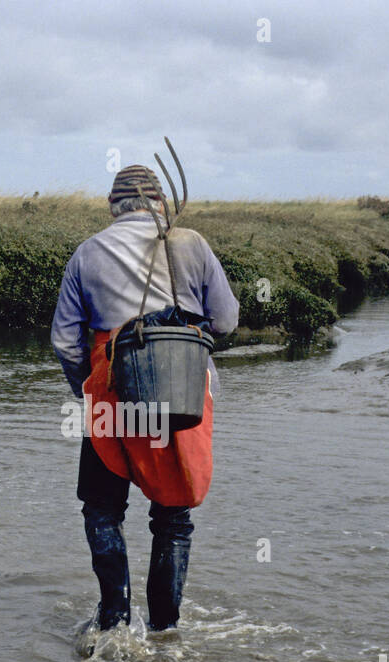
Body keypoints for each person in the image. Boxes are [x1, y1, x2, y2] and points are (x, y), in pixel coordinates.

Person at [51, 165, 238, 631]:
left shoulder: (88, 253)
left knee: (102, 507)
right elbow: (227, 320)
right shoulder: (192, 243)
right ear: (160, 204)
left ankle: (114, 620)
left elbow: (65, 341)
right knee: (173, 518)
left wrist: (88, 391)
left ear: (113, 208)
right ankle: (165, 630)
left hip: (115, 394)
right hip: (183, 391)